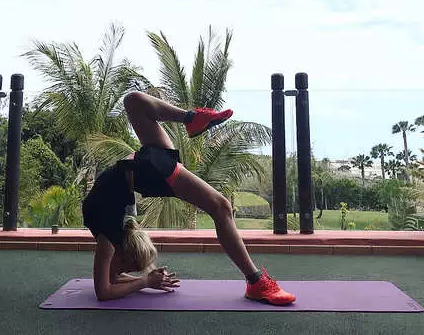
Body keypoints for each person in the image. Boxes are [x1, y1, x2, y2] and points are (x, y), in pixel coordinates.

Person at [82, 91, 296, 305]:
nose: (119, 272)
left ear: (121, 252)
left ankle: (255, 282)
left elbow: (104, 290)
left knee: (220, 207)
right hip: (138, 167)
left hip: (144, 169)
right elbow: (111, 282)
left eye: (124, 268)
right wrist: (145, 281)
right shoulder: (113, 235)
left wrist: (145, 281)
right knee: (133, 101)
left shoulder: (108, 242)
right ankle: (192, 119)